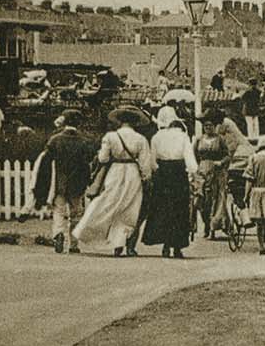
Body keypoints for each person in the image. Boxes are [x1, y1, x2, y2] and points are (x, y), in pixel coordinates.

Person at [74, 107, 154, 257]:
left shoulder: (110, 136)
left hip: (115, 172)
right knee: (128, 208)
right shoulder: (140, 139)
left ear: (120, 121)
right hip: (132, 173)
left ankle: (86, 230)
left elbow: (103, 158)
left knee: (108, 203)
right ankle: (120, 243)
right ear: (135, 122)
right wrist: (146, 178)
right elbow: (145, 164)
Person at [141, 105, 198, 259]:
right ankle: (177, 246)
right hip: (178, 173)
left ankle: (166, 244)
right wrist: (192, 173)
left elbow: (152, 161)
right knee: (179, 209)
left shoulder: (156, 137)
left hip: (163, 175)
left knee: (163, 208)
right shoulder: (182, 136)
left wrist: (156, 172)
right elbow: (190, 159)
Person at [44, 109, 94, 254]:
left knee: (59, 210)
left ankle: (58, 234)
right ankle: (73, 244)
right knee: (76, 213)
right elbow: (89, 159)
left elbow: (47, 158)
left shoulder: (55, 139)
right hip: (77, 182)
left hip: (60, 181)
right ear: (78, 123)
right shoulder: (84, 141)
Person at [192, 114, 230, 240]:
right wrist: (198, 168)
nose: (208, 128)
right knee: (202, 200)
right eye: (206, 126)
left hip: (217, 172)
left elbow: (227, 155)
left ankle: (214, 227)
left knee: (216, 199)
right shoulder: (199, 140)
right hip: (202, 172)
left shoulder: (220, 139)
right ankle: (206, 224)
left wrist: (221, 162)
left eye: (210, 126)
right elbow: (194, 156)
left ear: (215, 127)